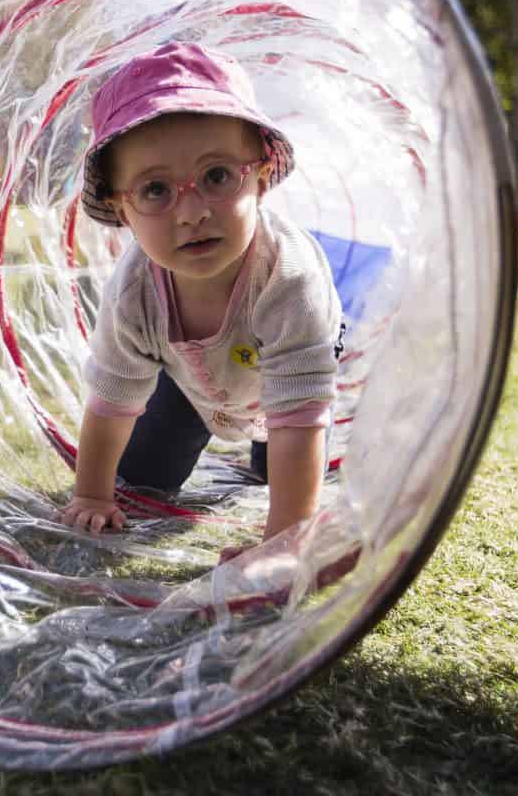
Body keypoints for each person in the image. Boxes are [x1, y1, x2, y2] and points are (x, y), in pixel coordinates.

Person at [57, 43, 342, 558]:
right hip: (189, 387)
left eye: (216, 177)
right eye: (155, 190)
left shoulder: (288, 278)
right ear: (122, 211)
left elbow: (299, 412)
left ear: (258, 177)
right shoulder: (135, 291)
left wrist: (281, 545)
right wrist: (91, 496)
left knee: (284, 467)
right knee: (140, 479)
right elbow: (111, 399)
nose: (190, 212)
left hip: (280, 381)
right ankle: (198, 451)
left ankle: (266, 461)